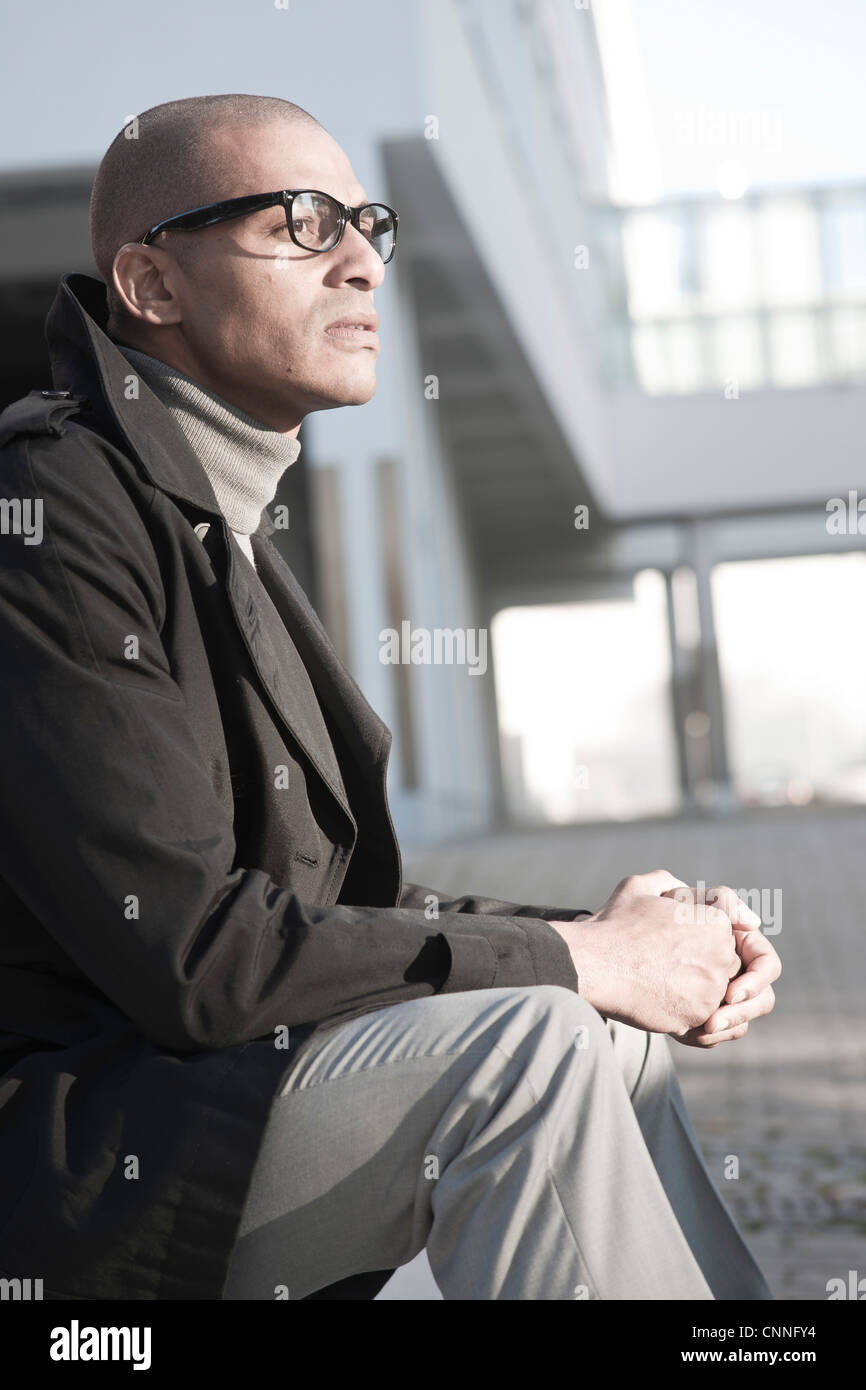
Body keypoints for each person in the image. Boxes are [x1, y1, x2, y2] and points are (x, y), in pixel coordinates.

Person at [0, 94, 779, 1301]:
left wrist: (626, 945)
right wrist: (575, 958)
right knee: (530, 1040)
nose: (362, 260)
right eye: (303, 224)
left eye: (366, 222)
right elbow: (203, 956)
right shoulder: (52, 515)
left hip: (204, 1091)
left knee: (611, 1033)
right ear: (150, 285)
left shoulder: (218, 519)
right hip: (81, 1160)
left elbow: (337, 905)